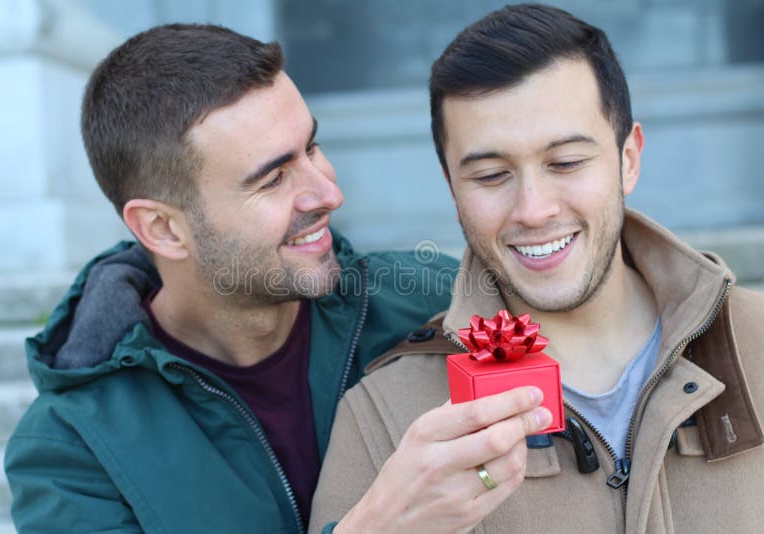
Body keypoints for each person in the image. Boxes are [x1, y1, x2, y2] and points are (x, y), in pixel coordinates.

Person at [309, 4, 764, 533]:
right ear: (451, 186)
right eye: (491, 174)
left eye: (566, 162)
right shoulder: (383, 418)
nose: (533, 209)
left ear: (629, 159)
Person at [3, 24, 460, 533]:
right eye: (273, 178)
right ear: (163, 228)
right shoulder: (74, 453)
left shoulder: (439, 302)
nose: (328, 194)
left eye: (311, 148)